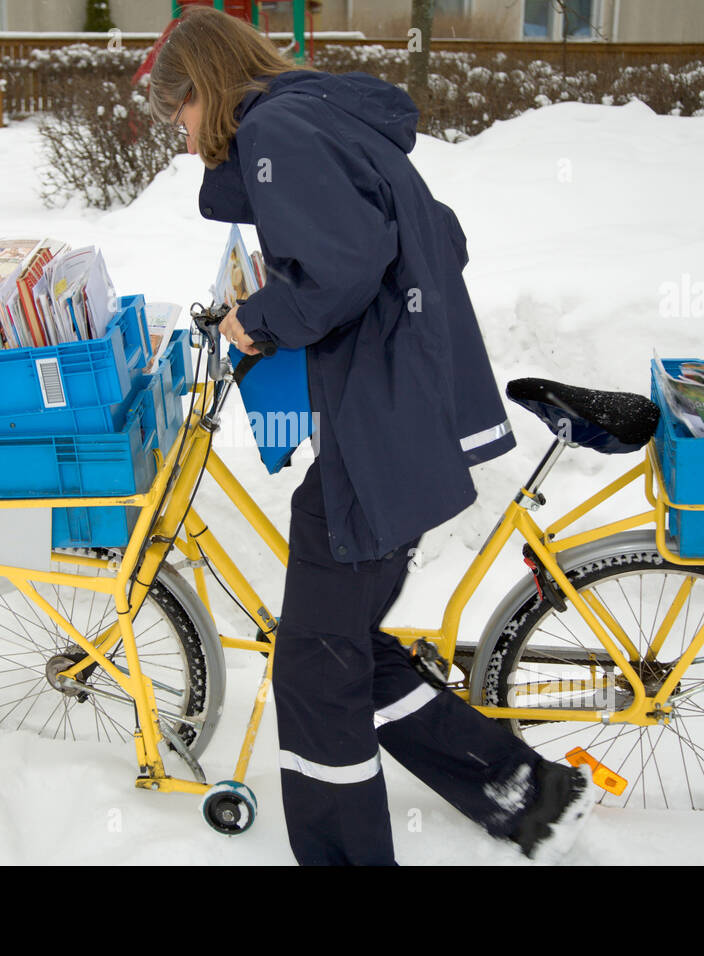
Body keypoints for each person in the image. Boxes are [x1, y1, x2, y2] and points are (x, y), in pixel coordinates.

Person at [147, 6, 593, 866]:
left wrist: (259, 317)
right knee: (336, 643)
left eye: (181, 115)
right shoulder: (316, 115)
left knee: (315, 670)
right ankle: (525, 792)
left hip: (380, 432)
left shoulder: (282, 127)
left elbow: (341, 268)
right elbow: (422, 237)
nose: (183, 133)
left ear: (204, 89)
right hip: (395, 414)